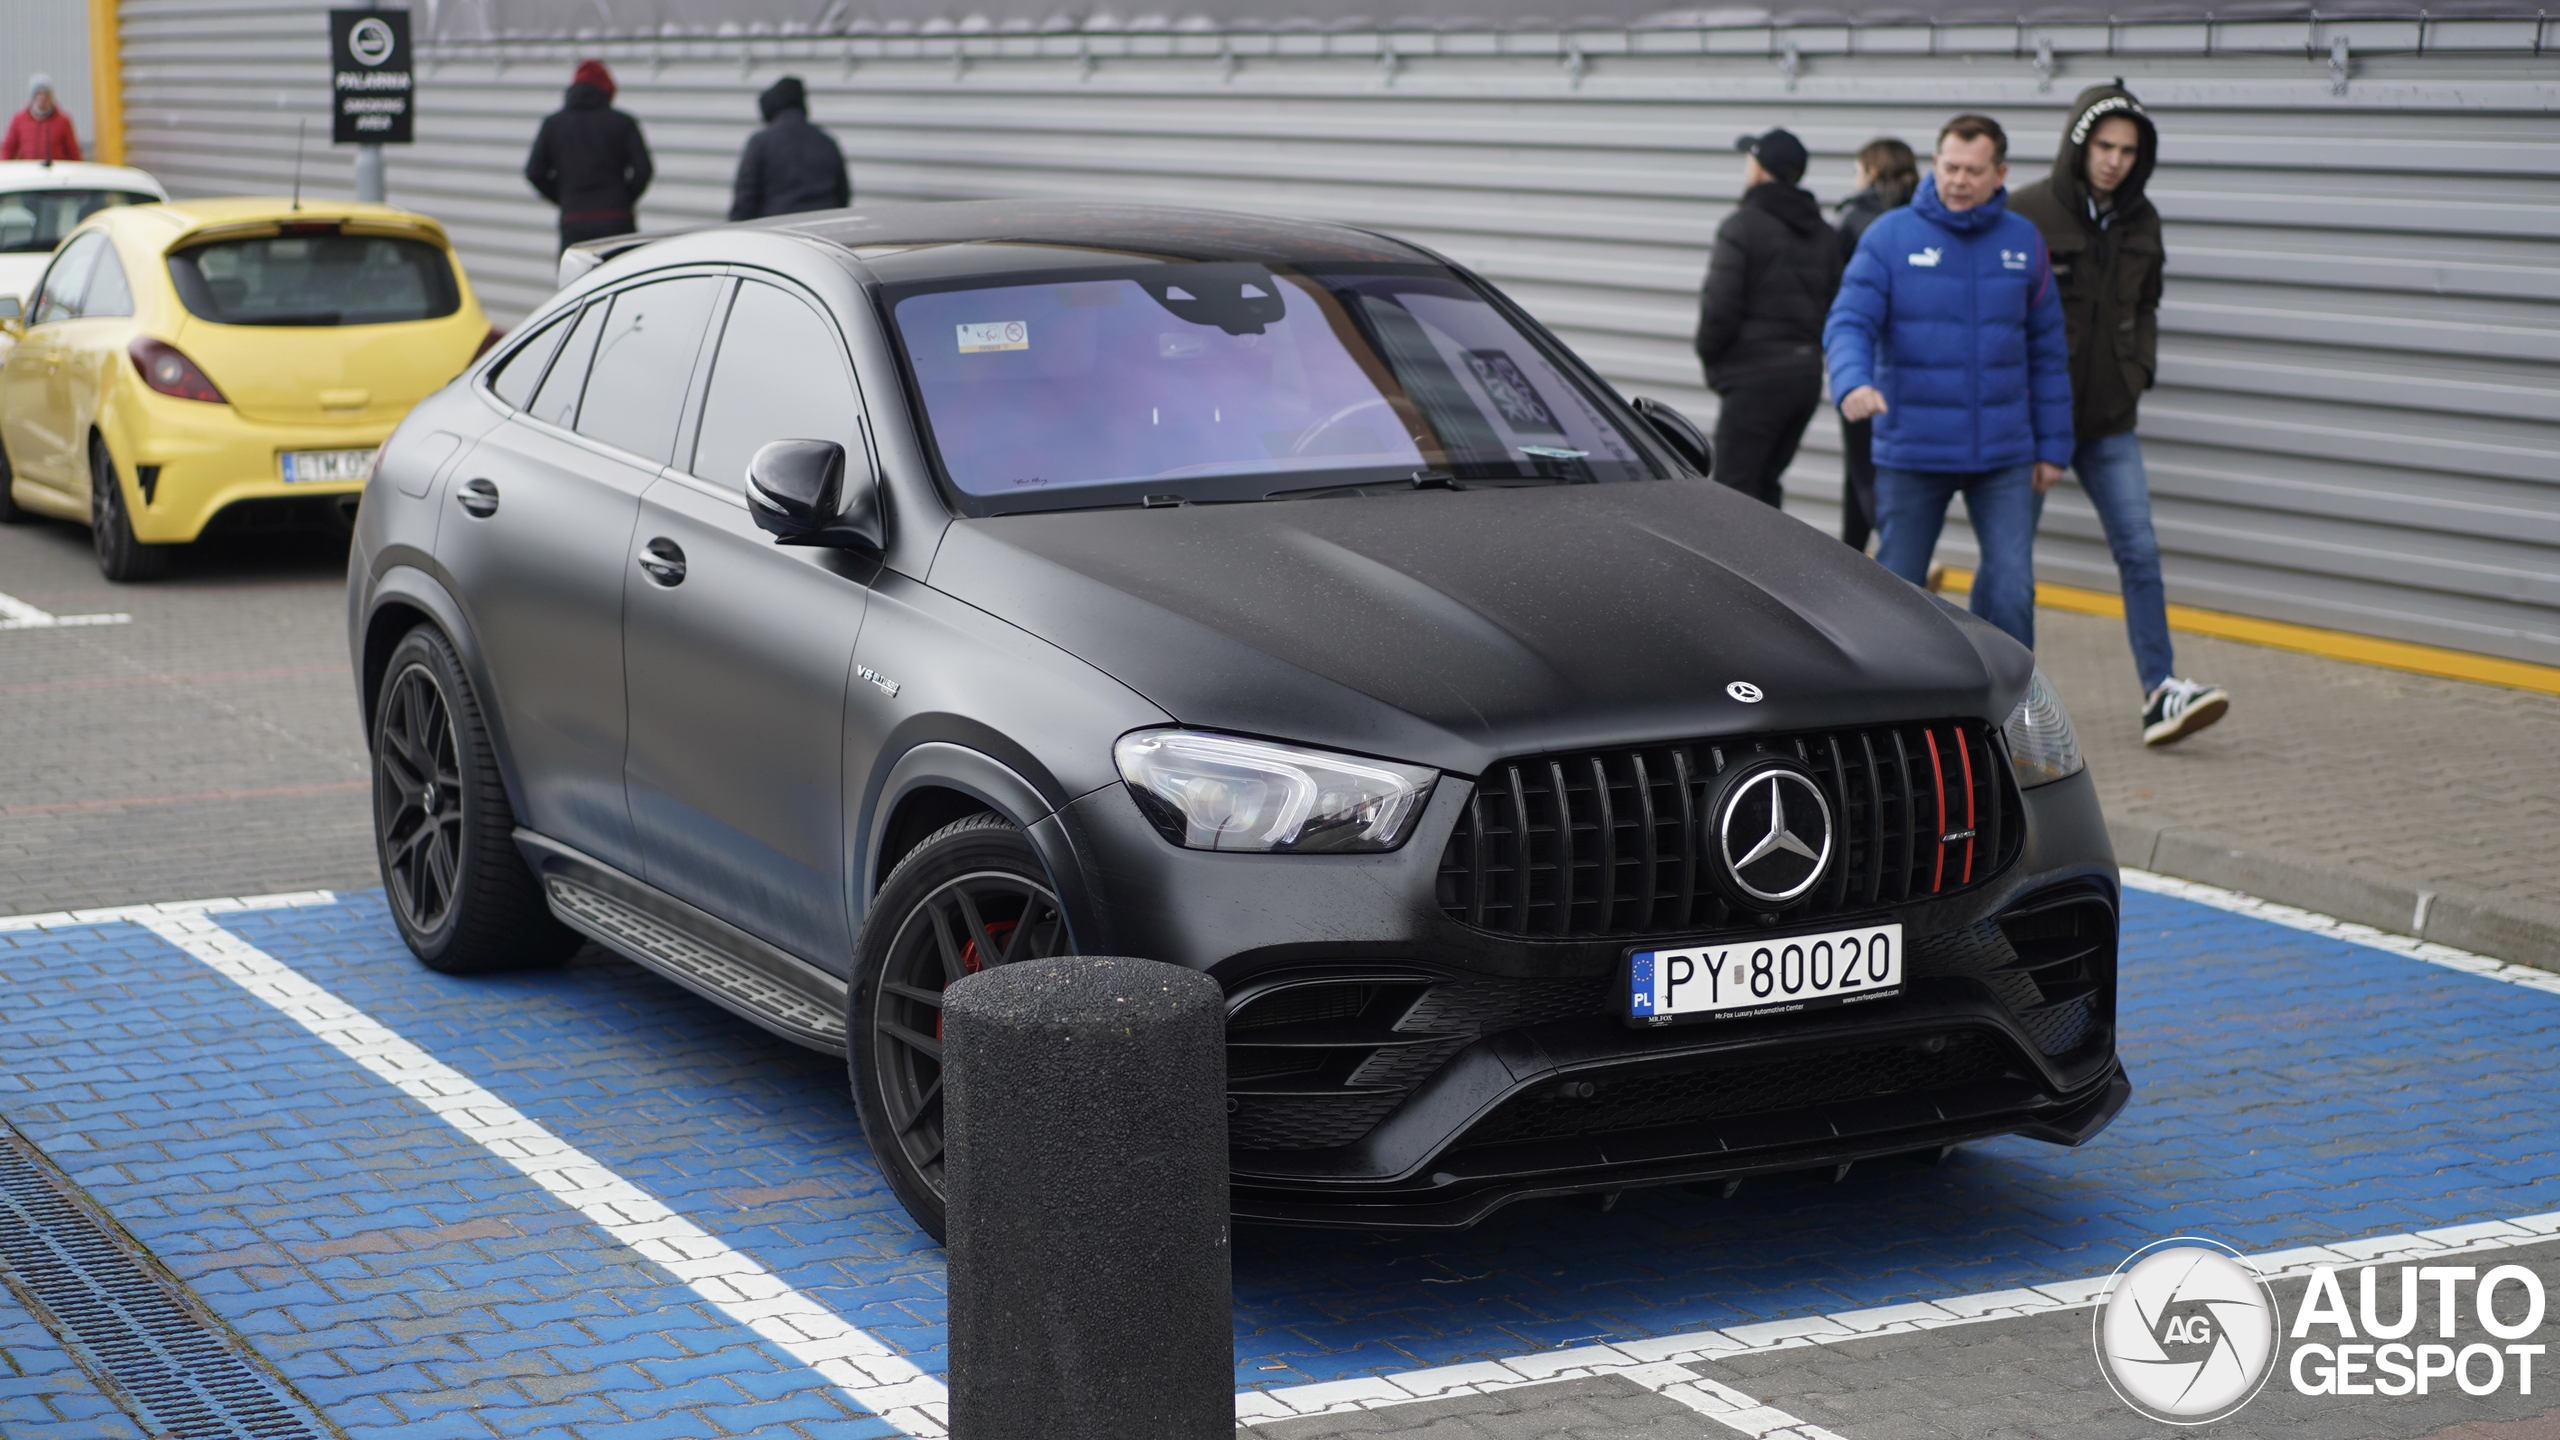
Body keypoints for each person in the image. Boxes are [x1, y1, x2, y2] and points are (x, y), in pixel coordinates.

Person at [2011, 84, 2230, 746]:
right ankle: (2014, 705)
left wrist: (2139, 373)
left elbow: (2147, 309)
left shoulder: (2144, 222)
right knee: (2011, 567)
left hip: (2109, 422)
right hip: (2032, 424)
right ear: (2079, 146)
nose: (2115, 161)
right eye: (2104, 146)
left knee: (2139, 549)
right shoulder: (2025, 212)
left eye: (2128, 151)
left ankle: (2160, 692)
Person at [1823, 114, 2072, 652]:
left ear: (1999, 173)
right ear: (1934, 165)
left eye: (1973, 170)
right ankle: (1892, 704)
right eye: (1950, 167)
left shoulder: (2023, 241)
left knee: (2011, 588)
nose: (1959, 180)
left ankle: (2007, 711)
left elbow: (2048, 351)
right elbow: (1849, 321)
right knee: (1897, 592)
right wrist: (1851, 381)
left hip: (2004, 455)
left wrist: (2054, 445)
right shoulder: (1889, 236)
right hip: (1913, 450)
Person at [1693, 128, 1840, 509]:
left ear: (1759, 168)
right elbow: (1834, 306)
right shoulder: (1824, 234)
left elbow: (1719, 308)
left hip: (1754, 381)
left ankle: (1729, 571)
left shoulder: (1742, 225)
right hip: (1804, 379)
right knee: (1764, 488)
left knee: (1732, 495)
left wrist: (1712, 358)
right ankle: (1769, 568)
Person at [1830, 138, 1917, 551]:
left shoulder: (1854, 218)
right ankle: (1853, 551)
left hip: (1865, 363)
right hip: (1913, 366)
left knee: (1864, 469)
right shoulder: (1922, 218)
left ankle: (1893, 559)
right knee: (1867, 469)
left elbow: (1834, 293)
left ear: (1870, 172)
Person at [525, 59, 654, 253]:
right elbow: (643, 170)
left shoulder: (553, 125)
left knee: (578, 280)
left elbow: (534, 172)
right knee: (623, 278)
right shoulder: (623, 122)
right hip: (616, 219)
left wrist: (566, 198)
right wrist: (622, 199)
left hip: (575, 220)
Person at [729, 76, 851, 222]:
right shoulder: (826, 141)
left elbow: (745, 199)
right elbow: (842, 194)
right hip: (824, 231)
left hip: (780, 234)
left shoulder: (761, 143)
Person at [3, 75, 80, 163]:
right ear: (32, 97)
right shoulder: (18, 120)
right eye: (38, 94)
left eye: (46, 94)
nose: (42, 97)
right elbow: (8, 149)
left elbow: (73, 151)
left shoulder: (63, 121)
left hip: (55, 172)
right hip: (27, 171)